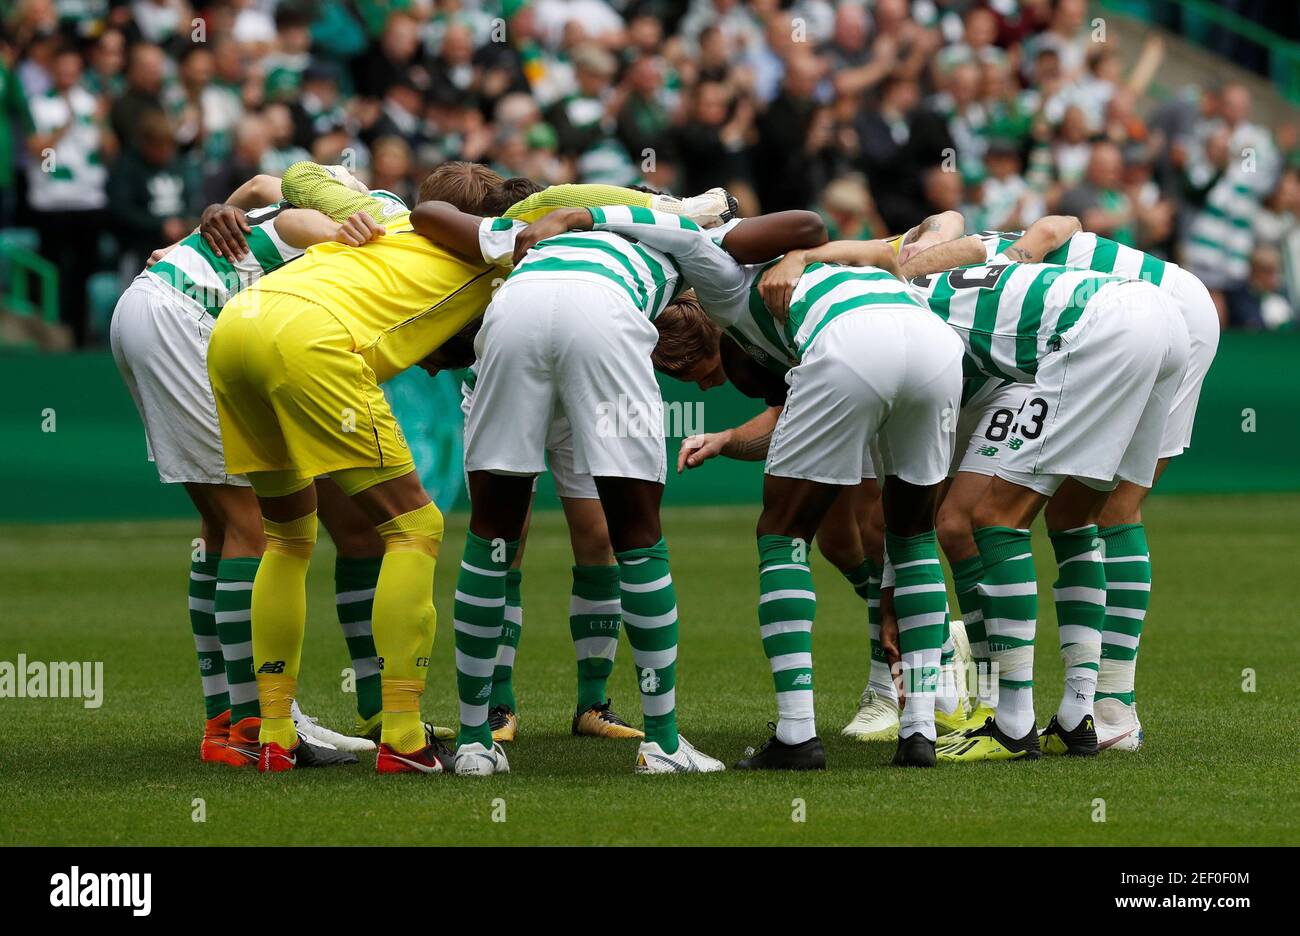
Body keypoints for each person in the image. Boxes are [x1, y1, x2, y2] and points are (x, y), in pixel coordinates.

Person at [205, 165, 736, 774]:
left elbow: (300, 177)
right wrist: (694, 205)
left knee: (288, 536)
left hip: (238, 323)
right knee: (414, 528)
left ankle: (271, 734)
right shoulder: (505, 241)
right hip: (313, 340)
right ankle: (404, 737)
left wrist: (247, 206)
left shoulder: (387, 211)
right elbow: (570, 197)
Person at [109, 164, 404, 767]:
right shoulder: (325, 229)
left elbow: (261, 183)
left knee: (219, 530)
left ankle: (226, 719)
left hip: (148, 306)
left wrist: (214, 209)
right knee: (256, 526)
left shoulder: (284, 203)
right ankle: (256, 722)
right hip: (185, 321)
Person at [894, 230, 1190, 762]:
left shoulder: (903, 319)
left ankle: (1012, 721)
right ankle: (1081, 712)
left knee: (996, 520)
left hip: (1101, 328)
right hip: (1165, 319)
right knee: (1077, 517)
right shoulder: (944, 278)